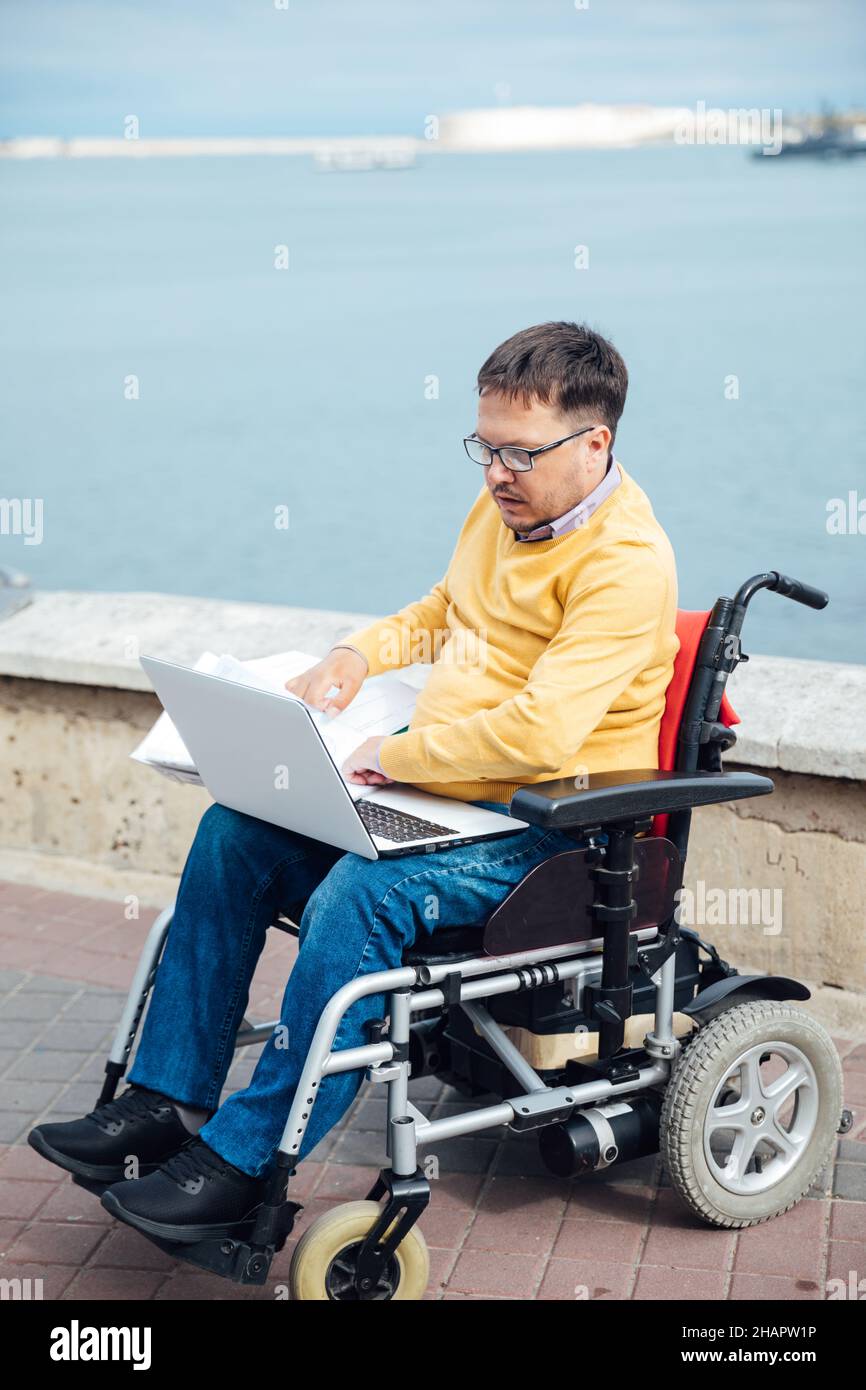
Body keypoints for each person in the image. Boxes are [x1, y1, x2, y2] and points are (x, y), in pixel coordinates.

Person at [28, 320, 679, 1242]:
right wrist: (355, 655)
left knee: (360, 898)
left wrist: (396, 759)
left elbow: (543, 732)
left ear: (594, 444)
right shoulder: (506, 509)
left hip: (548, 834)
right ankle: (165, 1101)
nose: (495, 472)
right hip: (448, 804)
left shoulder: (625, 564)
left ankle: (248, 1162)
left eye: (518, 454)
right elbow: (443, 611)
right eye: (484, 448)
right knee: (236, 833)